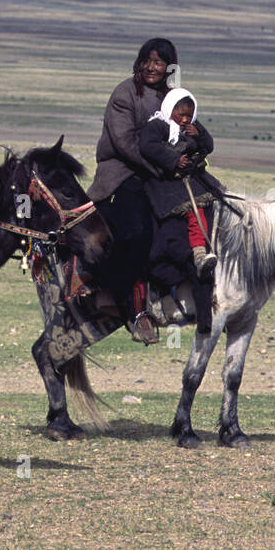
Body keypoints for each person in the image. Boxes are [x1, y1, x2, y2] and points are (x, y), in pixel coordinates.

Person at [88, 38, 180, 344]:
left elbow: (183, 131)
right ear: (139, 62)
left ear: (170, 67)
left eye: (159, 62)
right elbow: (124, 142)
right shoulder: (125, 93)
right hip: (122, 171)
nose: (153, 67)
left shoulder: (174, 98)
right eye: (148, 61)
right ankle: (120, 296)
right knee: (138, 230)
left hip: (159, 172)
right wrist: (161, 167)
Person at [139, 88, 224, 312]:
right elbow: (148, 147)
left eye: (189, 114)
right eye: (181, 114)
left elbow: (208, 146)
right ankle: (196, 253)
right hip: (167, 182)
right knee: (189, 212)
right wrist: (173, 160)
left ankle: (204, 251)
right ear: (169, 109)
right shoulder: (158, 126)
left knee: (209, 206)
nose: (185, 119)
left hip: (192, 178)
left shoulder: (192, 127)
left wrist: (199, 137)